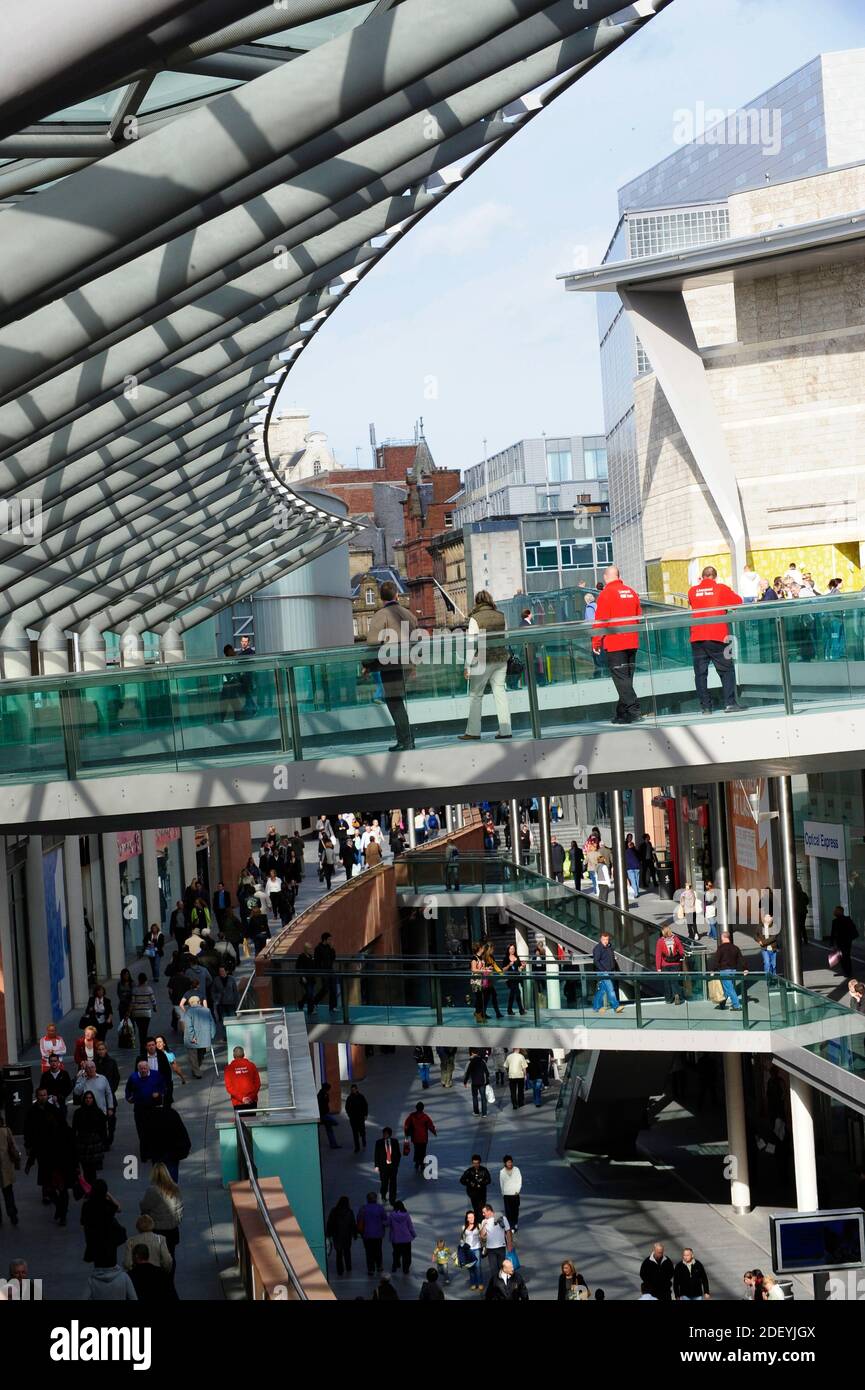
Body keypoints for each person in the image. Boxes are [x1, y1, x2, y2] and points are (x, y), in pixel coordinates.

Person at [363, 579, 421, 751]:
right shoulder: (409, 614)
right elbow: (417, 641)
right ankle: (405, 739)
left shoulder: (380, 616)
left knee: (394, 701)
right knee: (398, 701)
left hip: (391, 664)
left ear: (381, 598)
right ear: (397, 595)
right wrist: (414, 664)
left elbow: (373, 644)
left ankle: (406, 740)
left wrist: (368, 665)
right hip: (406, 663)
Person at [687, 566, 744, 714]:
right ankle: (730, 703)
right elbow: (738, 601)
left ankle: (706, 707)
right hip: (719, 637)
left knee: (700, 674)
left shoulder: (692, 591)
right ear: (715, 577)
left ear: (703, 576)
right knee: (727, 670)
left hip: (697, 638)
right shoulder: (721, 588)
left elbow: (694, 603)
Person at [591, 564, 642, 724]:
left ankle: (634, 710)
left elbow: (601, 621)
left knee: (621, 680)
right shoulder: (631, 592)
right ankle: (622, 714)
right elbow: (638, 616)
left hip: (615, 643)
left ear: (606, 577)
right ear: (619, 576)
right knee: (626, 679)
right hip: (632, 641)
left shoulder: (606, 594)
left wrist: (596, 642)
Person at [459, 590, 511, 741]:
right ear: (490, 601)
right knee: (500, 693)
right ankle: (505, 730)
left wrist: (467, 666)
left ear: (477, 602)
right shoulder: (501, 615)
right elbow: (506, 637)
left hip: (482, 660)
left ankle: (473, 732)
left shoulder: (475, 618)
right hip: (501, 659)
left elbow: (471, 644)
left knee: (476, 696)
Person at [24, 1087, 78, 1225]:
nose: (43, 1097)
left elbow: (69, 1139)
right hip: (46, 1156)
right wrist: (29, 1151)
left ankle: (62, 1212)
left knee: (62, 1187)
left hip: (60, 1158)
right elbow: (29, 1132)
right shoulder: (33, 1112)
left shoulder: (54, 1112)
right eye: (40, 1095)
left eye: (44, 1095)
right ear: (37, 1096)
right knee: (49, 1186)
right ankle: (60, 1207)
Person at [140, 1163, 183, 1265]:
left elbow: (144, 1207)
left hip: (158, 1229)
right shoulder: (175, 1188)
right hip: (173, 1229)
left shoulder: (153, 1190)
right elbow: (180, 1206)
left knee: (157, 1258)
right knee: (171, 1256)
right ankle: (170, 1278)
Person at [179, 995, 215, 1078]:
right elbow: (212, 1023)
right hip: (204, 1038)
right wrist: (211, 1035)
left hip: (192, 1039)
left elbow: (188, 1026)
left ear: (190, 1003)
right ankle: (196, 1069)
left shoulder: (188, 1012)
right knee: (200, 1054)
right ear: (199, 1002)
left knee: (193, 1056)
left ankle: (197, 1072)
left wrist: (192, 1037)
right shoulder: (207, 1010)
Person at [711, 931, 747, 1010]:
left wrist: (713, 970)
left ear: (723, 937)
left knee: (729, 988)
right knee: (727, 987)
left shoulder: (721, 948)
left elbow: (716, 960)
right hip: (733, 970)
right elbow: (741, 958)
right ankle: (722, 1003)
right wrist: (745, 968)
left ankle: (736, 1005)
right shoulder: (735, 948)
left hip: (724, 970)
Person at [592, 931, 624, 1013]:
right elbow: (596, 961)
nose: (606, 941)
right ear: (600, 939)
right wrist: (603, 970)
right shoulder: (598, 948)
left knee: (601, 990)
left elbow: (610, 958)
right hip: (603, 972)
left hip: (610, 971)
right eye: (604, 939)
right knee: (611, 989)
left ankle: (596, 1007)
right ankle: (616, 1007)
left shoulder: (609, 947)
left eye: (607, 939)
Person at [326, 1194, 358, 1277]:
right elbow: (353, 1224)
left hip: (337, 1235)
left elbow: (330, 1223)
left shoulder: (334, 1211)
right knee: (347, 1251)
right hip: (347, 1235)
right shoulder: (349, 1211)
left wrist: (328, 1233)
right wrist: (355, 1234)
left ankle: (340, 1270)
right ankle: (348, 1267)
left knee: (339, 1253)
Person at [356, 1192, 386, 1275]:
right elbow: (385, 1219)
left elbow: (358, 1219)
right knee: (378, 1250)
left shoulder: (363, 1209)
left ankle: (371, 1269)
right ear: (375, 1199)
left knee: (369, 1252)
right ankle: (379, 1266)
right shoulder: (380, 1208)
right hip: (378, 1234)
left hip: (367, 1234)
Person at [224, 1046, 261, 1112]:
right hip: (252, 1101)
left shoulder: (229, 1068)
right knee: (251, 1121)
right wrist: (250, 1097)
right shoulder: (251, 1065)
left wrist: (242, 1098)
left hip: (238, 1102)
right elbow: (257, 1083)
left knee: (240, 1121)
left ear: (233, 1055)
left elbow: (229, 1087)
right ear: (243, 1055)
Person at [655, 925, 685, 1005]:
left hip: (665, 964)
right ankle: (677, 995)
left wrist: (658, 968)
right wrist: (681, 956)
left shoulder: (660, 941)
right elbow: (681, 951)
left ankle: (668, 999)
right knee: (674, 981)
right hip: (676, 963)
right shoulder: (675, 939)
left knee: (667, 982)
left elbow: (658, 955)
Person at [403, 1101, 436, 1174]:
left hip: (415, 1137)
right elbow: (430, 1125)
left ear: (416, 1108)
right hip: (423, 1138)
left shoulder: (412, 1116)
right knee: (423, 1151)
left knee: (417, 1150)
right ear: (423, 1108)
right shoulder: (425, 1117)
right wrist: (434, 1132)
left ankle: (417, 1163)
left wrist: (406, 1133)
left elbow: (406, 1124)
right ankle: (422, 1164)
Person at [0, 1115, 21, 1227]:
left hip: (4, 1166)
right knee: (8, 1192)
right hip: (5, 1166)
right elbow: (13, 1146)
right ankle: (12, 1214)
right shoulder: (6, 1130)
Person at [386, 1199, 416, 1274]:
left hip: (395, 1238)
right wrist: (413, 1234)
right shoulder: (406, 1215)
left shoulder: (391, 1215)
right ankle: (405, 1269)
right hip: (406, 1239)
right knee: (407, 1254)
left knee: (396, 1253)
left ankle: (395, 1265)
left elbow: (387, 1223)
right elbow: (410, 1226)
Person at [129, 973, 157, 1055]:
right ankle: (145, 1047)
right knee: (145, 1030)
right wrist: (155, 1007)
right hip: (146, 1012)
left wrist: (129, 1011)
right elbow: (153, 1000)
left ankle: (142, 1047)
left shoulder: (135, 989)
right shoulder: (149, 989)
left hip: (137, 1012)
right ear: (146, 980)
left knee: (140, 1030)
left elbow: (133, 1002)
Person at [480, 1203, 511, 1275]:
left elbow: (508, 1231)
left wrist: (509, 1244)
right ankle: (496, 1284)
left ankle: (503, 1284)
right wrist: (484, 1225)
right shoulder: (484, 1221)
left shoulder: (502, 1218)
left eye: (484, 1212)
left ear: (489, 1211)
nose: (483, 1214)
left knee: (502, 1268)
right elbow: (482, 1235)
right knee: (493, 1270)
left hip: (501, 1247)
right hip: (490, 1249)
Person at [460, 1154, 492, 1221]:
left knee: (482, 1208)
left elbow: (489, 1180)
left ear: (479, 1162)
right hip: (473, 1193)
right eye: (474, 1163)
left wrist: (481, 1183)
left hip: (482, 1193)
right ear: (472, 1163)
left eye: (477, 1163)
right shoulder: (469, 1171)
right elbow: (462, 1180)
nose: (475, 1165)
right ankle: (477, 1222)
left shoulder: (484, 1170)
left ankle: (482, 1222)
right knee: (476, 1208)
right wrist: (470, 1183)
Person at [830, 904, 858, 977]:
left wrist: (832, 943)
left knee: (844, 957)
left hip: (843, 942)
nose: (834, 912)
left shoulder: (837, 921)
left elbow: (833, 933)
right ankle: (846, 971)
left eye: (836, 911)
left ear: (840, 912)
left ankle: (848, 972)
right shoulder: (845, 920)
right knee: (844, 957)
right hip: (845, 942)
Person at [374, 1127, 400, 1204]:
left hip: (393, 1167)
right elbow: (376, 1154)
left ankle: (392, 1199)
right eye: (384, 1133)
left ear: (390, 1134)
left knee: (393, 1183)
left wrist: (396, 1164)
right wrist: (377, 1165)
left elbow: (398, 1154)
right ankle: (383, 1195)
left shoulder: (395, 1142)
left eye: (386, 1134)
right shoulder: (379, 1142)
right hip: (383, 1167)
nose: (384, 1135)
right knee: (384, 1183)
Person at [313, 932, 338, 1013]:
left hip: (330, 970)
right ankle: (315, 1002)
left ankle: (333, 1007)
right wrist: (320, 970)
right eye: (329, 939)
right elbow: (317, 961)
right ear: (325, 939)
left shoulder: (329, 947)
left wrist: (332, 948)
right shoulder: (318, 948)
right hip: (323, 971)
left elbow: (333, 958)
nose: (331, 941)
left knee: (333, 988)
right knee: (325, 988)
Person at [463, 1049, 490, 1116]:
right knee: (483, 1097)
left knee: (475, 1097)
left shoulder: (471, 1062)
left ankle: (476, 1112)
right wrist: (487, 1081)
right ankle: (484, 1113)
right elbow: (487, 1072)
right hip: (482, 1082)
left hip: (474, 1082)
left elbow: (468, 1072)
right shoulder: (483, 1061)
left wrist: (465, 1082)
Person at [503, 945, 526, 1016]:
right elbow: (503, 969)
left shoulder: (517, 957)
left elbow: (519, 968)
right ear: (508, 950)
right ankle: (521, 1010)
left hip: (517, 978)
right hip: (510, 978)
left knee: (512, 994)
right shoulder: (506, 958)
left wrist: (523, 966)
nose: (512, 950)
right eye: (511, 949)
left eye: (513, 949)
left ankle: (509, 1009)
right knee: (517, 993)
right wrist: (509, 965)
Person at [317, 1082, 341, 1150]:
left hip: (324, 1114)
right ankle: (333, 1144)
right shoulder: (322, 1095)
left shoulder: (323, 1094)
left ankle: (333, 1144)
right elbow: (322, 1105)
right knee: (335, 1123)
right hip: (324, 1114)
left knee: (329, 1130)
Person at [624, 833, 641, 900]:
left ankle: (636, 893)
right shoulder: (633, 850)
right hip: (635, 866)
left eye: (631, 837)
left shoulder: (628, 851)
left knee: (634, 880)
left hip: (631, 867)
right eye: (629, 837)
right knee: (636, 880)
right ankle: (637, 892)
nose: (630, 838)